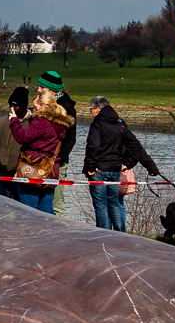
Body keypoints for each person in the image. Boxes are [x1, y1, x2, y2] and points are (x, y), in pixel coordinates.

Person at [81, 96, 161, 232]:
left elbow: (93, 146)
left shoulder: (97, 125)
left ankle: (104, 234)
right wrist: (141, 165)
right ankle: (120, 233)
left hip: (100, 169)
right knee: (115, 203)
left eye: (91, 109)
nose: (91, 112)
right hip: (115, 169)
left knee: (101, 205)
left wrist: (89, 167)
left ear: (98, 110)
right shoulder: (120, 125)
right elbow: (136, 146)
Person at [8, 90, 74, 214]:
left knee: (29, 210)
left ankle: (33, 228)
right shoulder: (59, 123)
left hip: (33, 169)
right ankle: (51, 227)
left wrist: (14, 121)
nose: (34, 110)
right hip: (50, 170)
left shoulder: (42, 122)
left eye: (35, 107)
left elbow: (22, 137)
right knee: (46, 209)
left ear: (44, 106)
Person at [35, 70, 77, 216]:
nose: (38, 89)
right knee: (42, 201)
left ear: (52, 89)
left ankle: (61, 228)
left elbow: (71, 139)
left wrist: (57, 159)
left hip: (56, 162)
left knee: (56, 203)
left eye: (42, 87)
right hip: (42, 160)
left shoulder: (66, 108)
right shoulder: (45, 104)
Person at [0, 86, 29, 199]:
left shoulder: (31, 124)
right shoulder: (2, 122)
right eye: (11, 106)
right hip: (1, 172)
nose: (12, 109)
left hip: (21, 174)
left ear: (23, 107)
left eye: (16, 106)